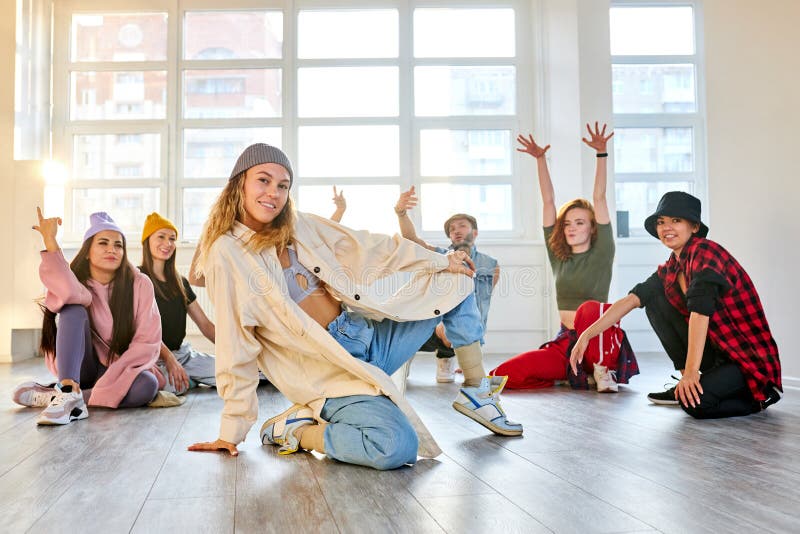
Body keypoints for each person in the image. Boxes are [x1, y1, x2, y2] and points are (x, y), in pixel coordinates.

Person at [187, 143, 522, 470]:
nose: (273, 192)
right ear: (239, 183)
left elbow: (370, 247)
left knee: (457, 278)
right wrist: (231, 431)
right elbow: (235, 343)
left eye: (283, 185)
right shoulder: (226, 254)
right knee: (394, 445)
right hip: (330, 373)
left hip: (365, 337)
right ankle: (297, 429)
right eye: (263, 180)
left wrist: (440, 259)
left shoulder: (299, 225)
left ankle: (476, 391)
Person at [571, 191, 782, 418]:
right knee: (653, 300)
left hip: (748, 361)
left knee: (694, 406)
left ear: (693, 227)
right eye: (661, 222)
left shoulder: (707, 253)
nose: (666, 227)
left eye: (676, 220)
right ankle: (687, 385)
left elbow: (700, 314)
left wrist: (693, 372)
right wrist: (586, 335)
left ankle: (758, 399)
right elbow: (631, 300)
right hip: (720, 355)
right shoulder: (672, 267)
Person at [490, 122, 639, 392]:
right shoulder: (558, 255)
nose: (571, 227)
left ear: (593, 227)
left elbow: (600, 196)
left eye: (580, 222)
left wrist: (601, 154)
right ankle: (574, 374)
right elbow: (548, 202)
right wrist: (540, 159)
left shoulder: (603, 251)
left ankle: (602, 371)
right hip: (567, 343)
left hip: (598, 342)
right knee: (501, 375)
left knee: (590, 309)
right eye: (568, 223)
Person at [12, 209, 163, 424]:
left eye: (118, 245)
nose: (112, 249)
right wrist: (50, 239)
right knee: (72, 308)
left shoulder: (140, 284)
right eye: (103, 243)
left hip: (121, 368)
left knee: (147, 386)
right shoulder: (77, 283)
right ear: (87, 251)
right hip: (82, 368)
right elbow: (69, 292)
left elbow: (147, 341)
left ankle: (66, 398)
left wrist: (113, 380)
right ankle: (67, 387)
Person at [393, 188, 499, 383]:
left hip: (466, 328)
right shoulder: (441, 256)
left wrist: (471, 335)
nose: (456, 230)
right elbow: (413, 241)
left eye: (462, 226)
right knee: (412, 322)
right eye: (452, 229)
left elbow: (483, 302)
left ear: (474, 232)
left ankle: (447, 356)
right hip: (434, 324)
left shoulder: (491, 265)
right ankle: (403, 359)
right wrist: (401, 213)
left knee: (459, 320)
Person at [140, 212, 216, 394]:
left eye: (172, 239)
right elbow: (143, 332)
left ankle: (190, 377)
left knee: (250, 373)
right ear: (147, 241)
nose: (168, 244)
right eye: (161, 237)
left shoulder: (180, 282)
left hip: (184, 355)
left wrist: (237, 352)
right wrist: (169, 361)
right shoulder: (137, 279)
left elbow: (205, 325)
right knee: (163, 386)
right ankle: (190, 379)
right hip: (154, 358)